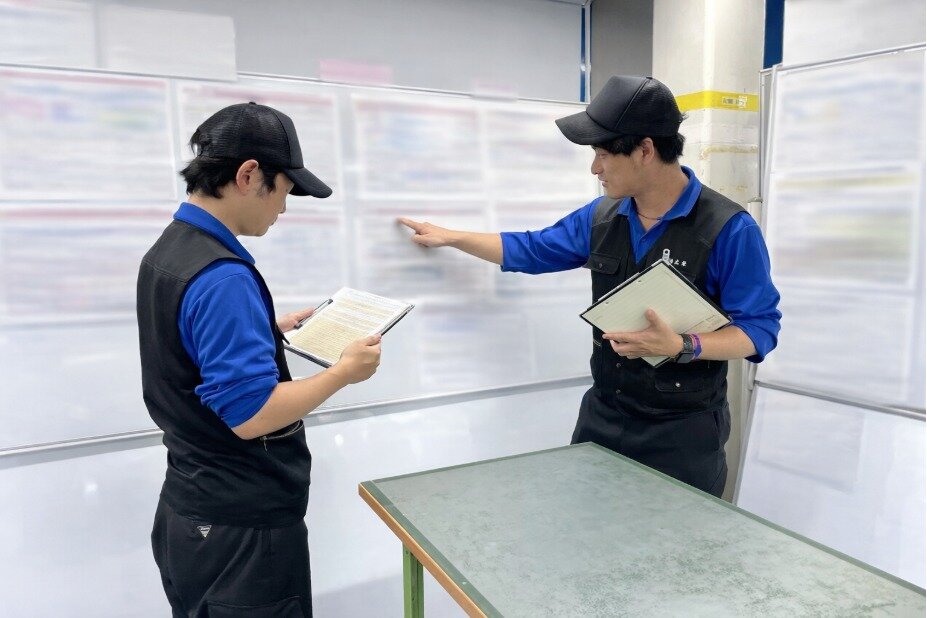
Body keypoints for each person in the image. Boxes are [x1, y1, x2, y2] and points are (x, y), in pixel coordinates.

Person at [398, 75, 780, 498]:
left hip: (682, 433)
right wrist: (452, 237)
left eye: (602, 154)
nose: (595, 168)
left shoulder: (728, 229)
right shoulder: (602, 216)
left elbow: (759, 329)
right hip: (604, 416)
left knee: (674, 537)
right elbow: (534, 249)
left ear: (645, 150)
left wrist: (682, 345)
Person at [137, 102, 380, 617]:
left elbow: (185, 350)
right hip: (242, 537)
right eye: (284, 191)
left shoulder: (171, 250)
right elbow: (251, 415)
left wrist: (265, 331)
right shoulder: (224, 277)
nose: (283, 209)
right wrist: (343, 373)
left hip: (190, 514)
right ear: (249, 175)